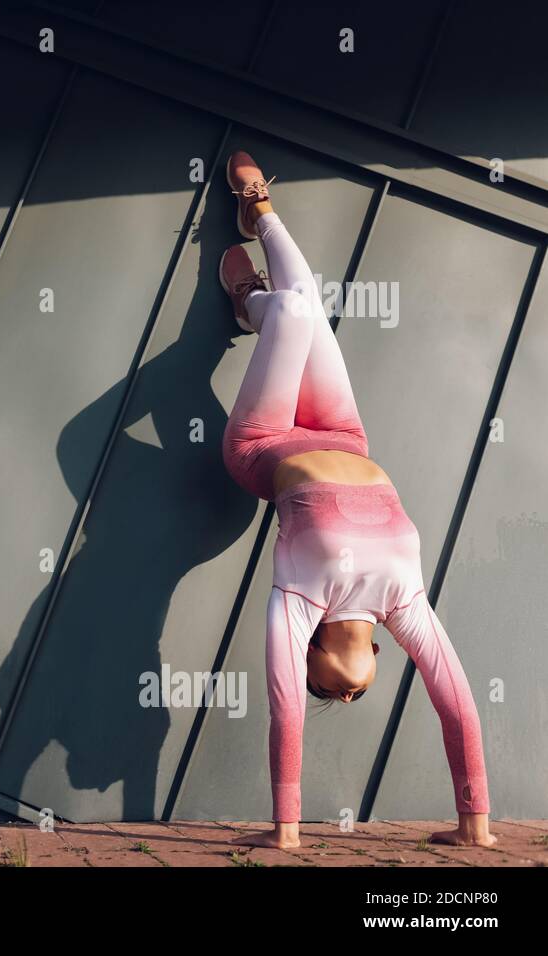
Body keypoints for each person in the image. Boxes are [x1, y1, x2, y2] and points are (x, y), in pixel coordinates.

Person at [217, 151, 493, 849]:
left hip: (263, 444)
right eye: (358, 689)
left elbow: (285, 707)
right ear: (376, 648)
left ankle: (252, 293)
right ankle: (257, 229)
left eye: (336, 687)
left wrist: (285, 831)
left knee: (294, 310)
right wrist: (476, 825)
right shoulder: (406, 600)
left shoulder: (303, 596)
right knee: (304, 308)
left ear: (314, 653)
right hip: (345, 437)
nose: (348, 689)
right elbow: (456, 701)